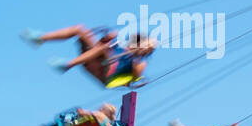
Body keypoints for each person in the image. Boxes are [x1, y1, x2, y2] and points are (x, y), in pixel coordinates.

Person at [23, 25, 156, 86]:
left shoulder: (138, 62)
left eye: (148, 49)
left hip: (104, 74)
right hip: (94, 61)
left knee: (104, 50)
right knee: (80, 29)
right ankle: (40, 38)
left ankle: (67, 65)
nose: (144, 48)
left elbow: (135, 76)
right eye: (145, 44)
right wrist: (106, 39)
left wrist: (136, 56)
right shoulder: (118, 45)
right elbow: (97, 47)